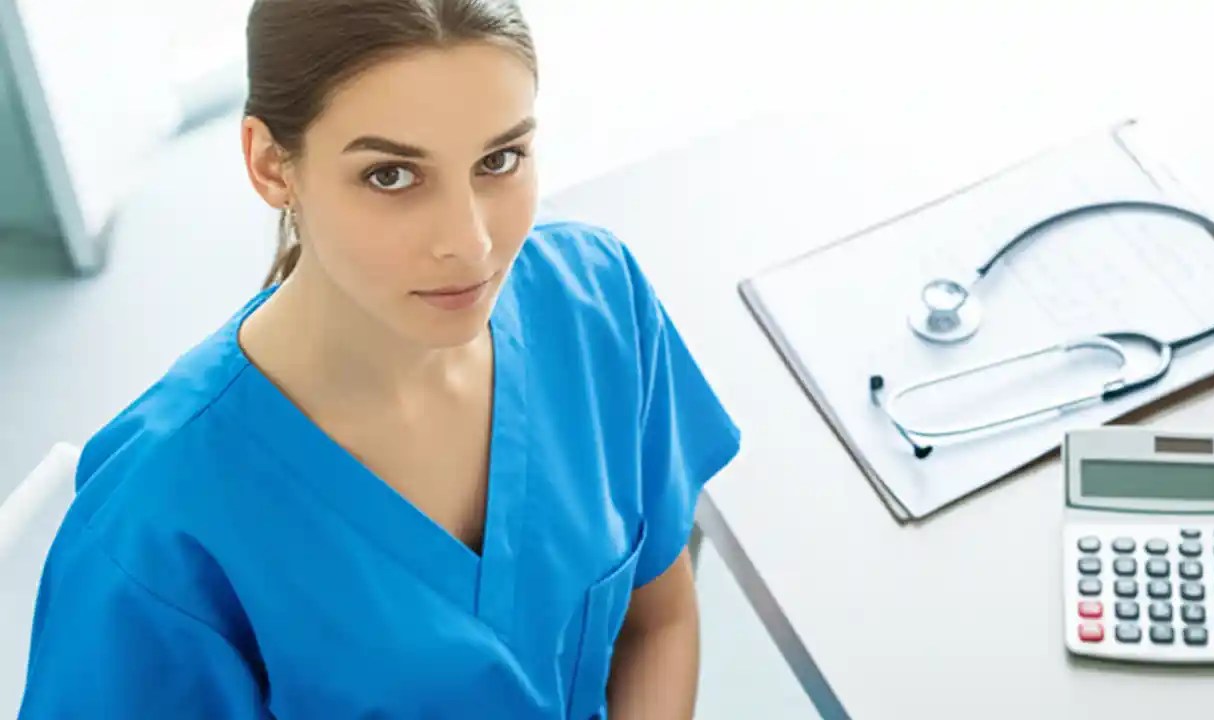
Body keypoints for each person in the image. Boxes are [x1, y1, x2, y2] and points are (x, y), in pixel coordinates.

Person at [18, 1, 740, 718]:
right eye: (392, 176)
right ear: (272, 165)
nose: (471, 244)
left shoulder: (595, 302)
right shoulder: (156, 525)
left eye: (499, 159)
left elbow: (659, 620)